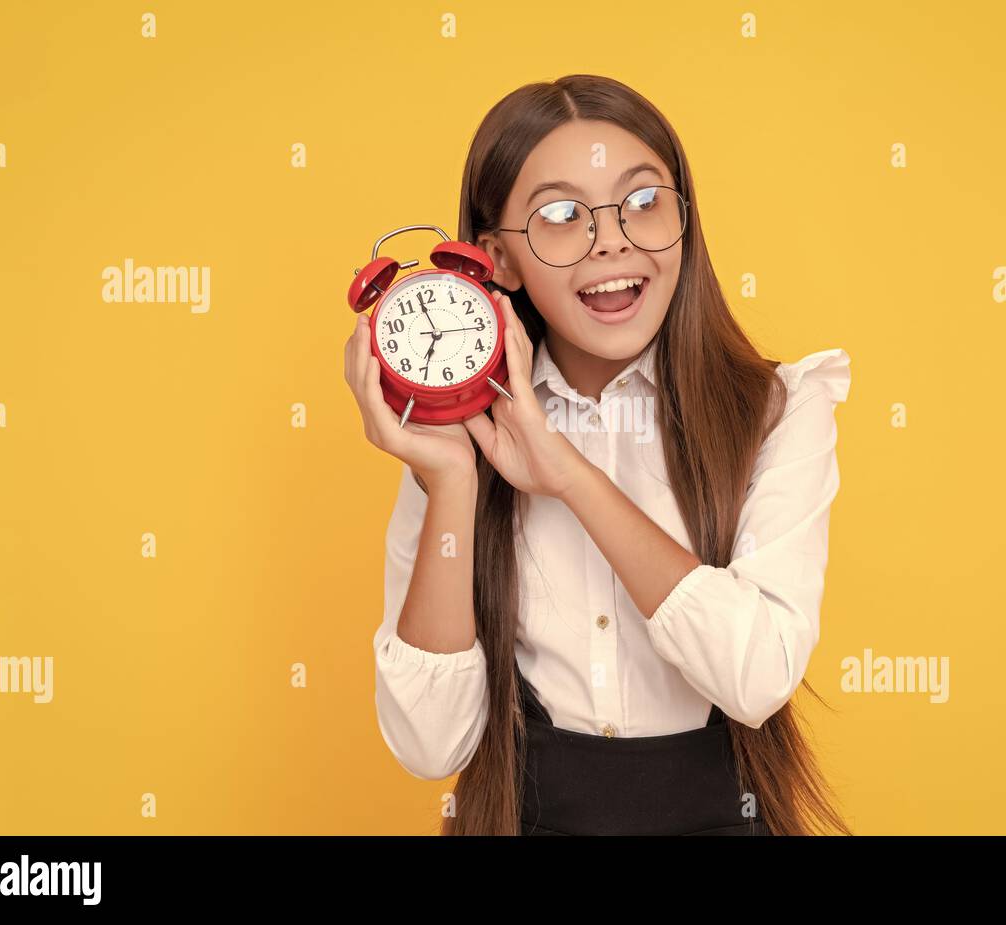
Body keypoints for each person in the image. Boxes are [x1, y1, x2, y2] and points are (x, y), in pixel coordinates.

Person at [343, 74, 852, 836]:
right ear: (495, 262)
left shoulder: (778, 409)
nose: (612, 239)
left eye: (645, 201)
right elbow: (430, 742)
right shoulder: (461, 439)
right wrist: (449, 478)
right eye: (559, 214)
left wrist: (568, 475)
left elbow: (757, 674)